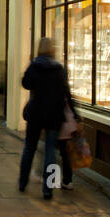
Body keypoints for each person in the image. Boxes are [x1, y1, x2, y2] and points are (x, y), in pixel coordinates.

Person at [19, 37, 70, 200]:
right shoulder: (59, 69)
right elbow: (65, 93)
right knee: (50, 152)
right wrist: (75, 114)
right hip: (54, 115)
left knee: (29, 148)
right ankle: (48, 190)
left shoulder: (34, 66)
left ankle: (22, 182)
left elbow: (25, 83)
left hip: (36, 113)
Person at [57, 85, 82, 190]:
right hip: (71, 126)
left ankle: (64, 180)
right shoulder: (66, 93)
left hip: (61, 127)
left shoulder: (56, 94)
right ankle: (68, 180)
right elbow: (74, 109)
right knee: (67, 154)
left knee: (63, 154)